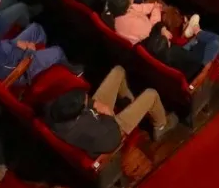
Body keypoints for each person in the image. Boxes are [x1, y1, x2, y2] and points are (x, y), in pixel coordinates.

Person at [43, 65, 177, 153]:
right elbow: (113, 139)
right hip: (111, 130)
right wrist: (107, 115)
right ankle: (160, 126)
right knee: (151, 94)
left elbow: (78, 102)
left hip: (94, 115)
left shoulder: (54, 110)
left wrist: (91, 104)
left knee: (118, 71)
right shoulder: (91, 133)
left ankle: (128, 102)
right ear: (78, 113)